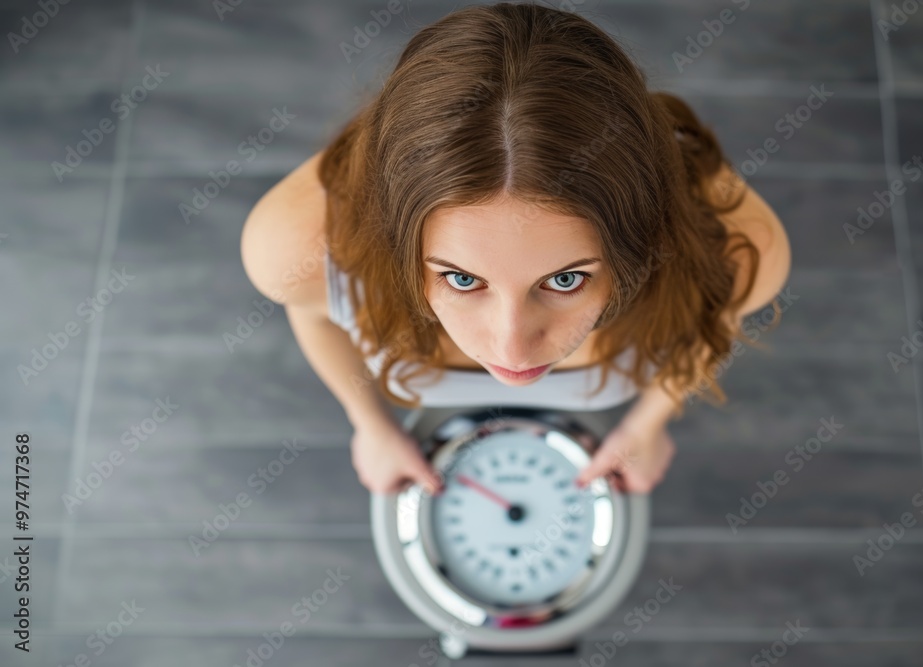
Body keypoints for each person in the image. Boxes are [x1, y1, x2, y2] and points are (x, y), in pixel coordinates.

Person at [241, 2, 791, 499]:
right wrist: (370, 424)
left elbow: (703, 326)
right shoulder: (294, 251)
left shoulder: (739, 254)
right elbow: (316, 313)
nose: (514, 349)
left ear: (643, 235)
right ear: (394, 231)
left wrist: (648, 425)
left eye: (565, 280)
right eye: (461, 280)